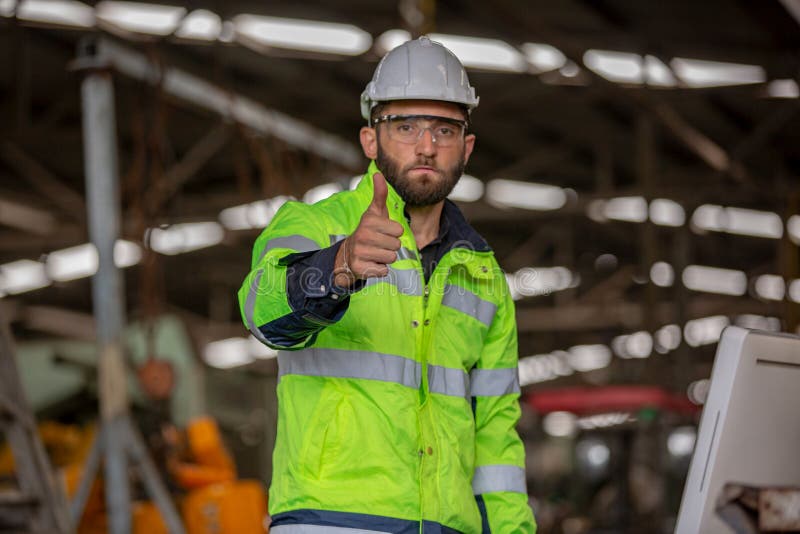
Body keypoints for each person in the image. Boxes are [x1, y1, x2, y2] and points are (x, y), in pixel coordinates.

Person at [239, 36, 536, 534]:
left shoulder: (484, 277)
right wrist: (338, 265)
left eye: (444, 129)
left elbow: (496, 436)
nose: (426, 146)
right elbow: (259, 312)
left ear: (467, 148)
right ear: (370, 140)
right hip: (330, 520)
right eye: (405, 125)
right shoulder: (313, 226)